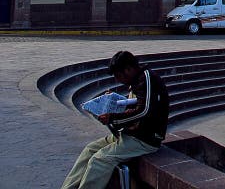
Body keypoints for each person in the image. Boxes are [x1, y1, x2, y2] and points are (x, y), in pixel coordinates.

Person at [62, 50, 169, 189]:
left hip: (145, 139)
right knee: (90, 150)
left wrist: (112, 118)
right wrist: (114, 101)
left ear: (129, 69)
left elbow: (144, 110)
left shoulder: (147, 79)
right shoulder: (137, 80)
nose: (118, 80)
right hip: (130, 134)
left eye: (119, 76)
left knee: (100, 160)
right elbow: (135, 105)